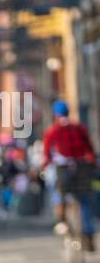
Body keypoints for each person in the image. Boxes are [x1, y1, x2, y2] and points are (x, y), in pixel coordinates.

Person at [42, 99, 96, 251]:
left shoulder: (53, 130)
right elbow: (89, 148)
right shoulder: (78, 127)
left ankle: (62, 221)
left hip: (63, 170)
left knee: (58, 191)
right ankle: (89, 234)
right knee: (84, 200)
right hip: (81, 169)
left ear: (55, 114)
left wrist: (45, 163)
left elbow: (47, 153)